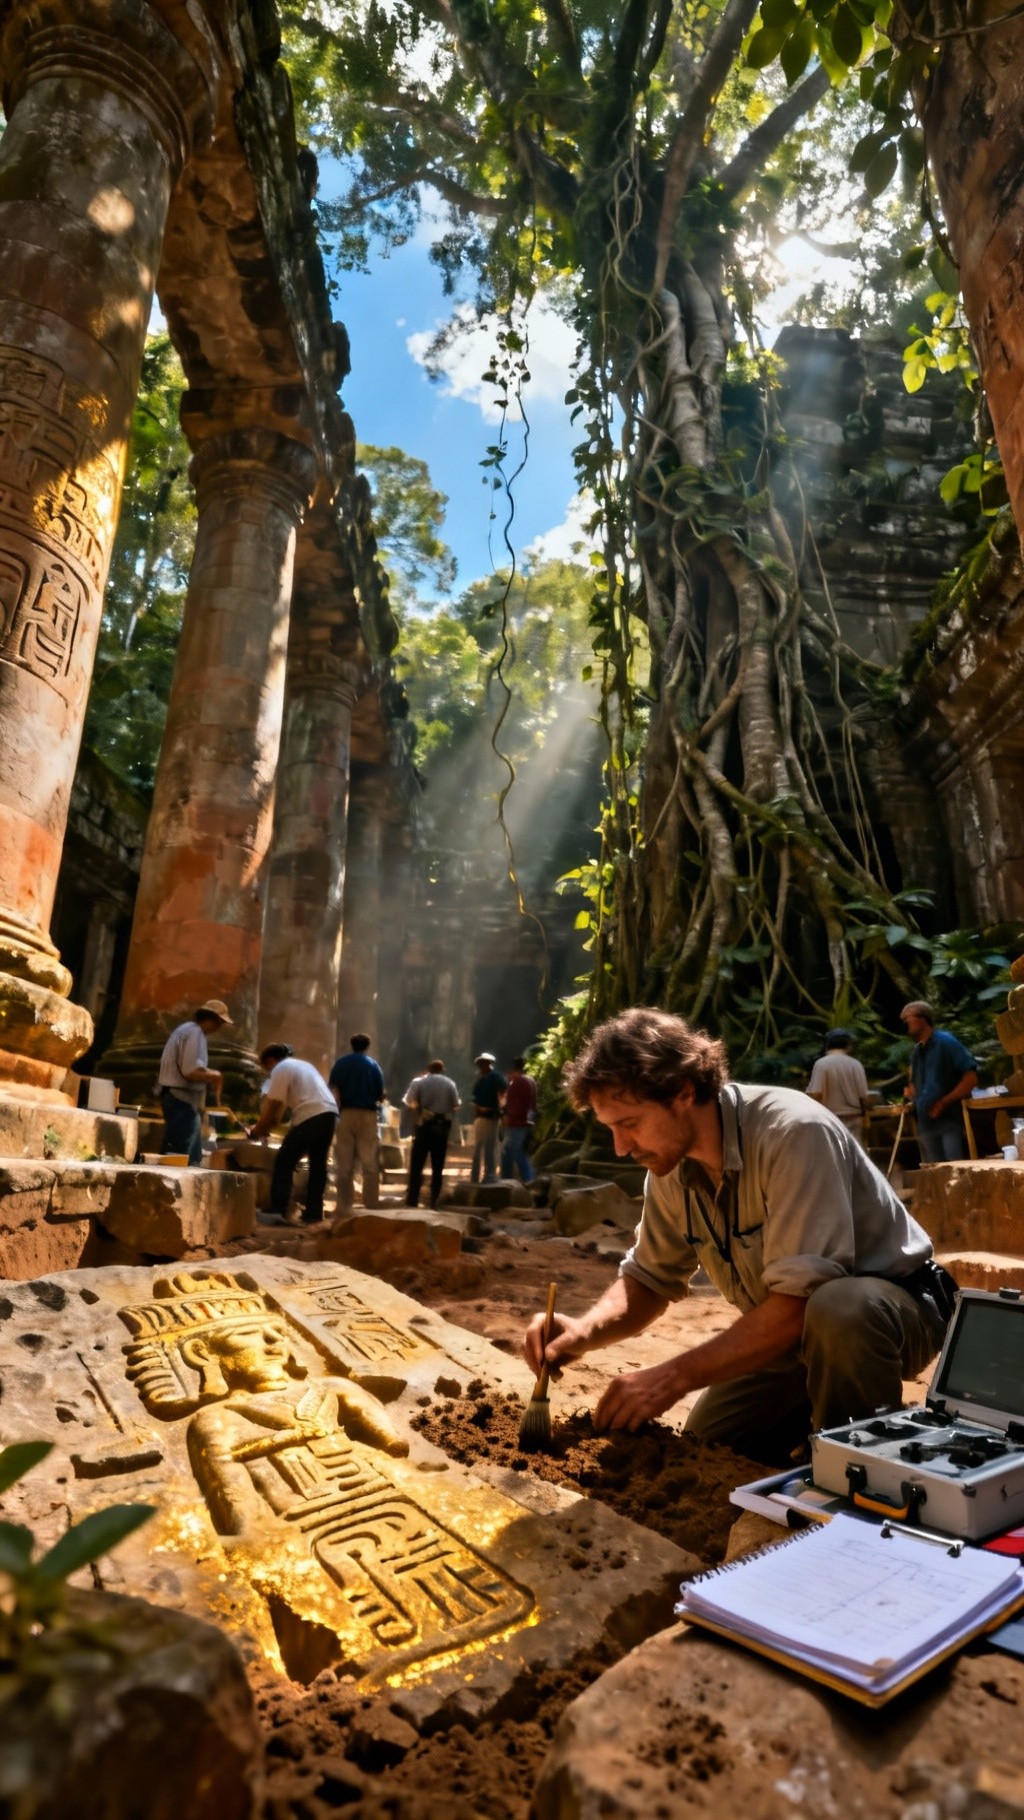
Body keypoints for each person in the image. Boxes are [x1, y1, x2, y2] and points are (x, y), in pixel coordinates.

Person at [524, 1007, 956, 1462]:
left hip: (896, 1307)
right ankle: (812, 1428)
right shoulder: (670, 1166)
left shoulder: (793, 1133)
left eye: (629, 1124)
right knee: (708, 1447)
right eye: (610, 1129)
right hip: (790, 1336)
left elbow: (800, 1303)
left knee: (838, 1307)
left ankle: (853, 1466)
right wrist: (582, 1330)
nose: (620, 1147)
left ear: (683, 1092)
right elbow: (648, 1280)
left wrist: (671, 1377)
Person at [248, 1044, 338, 1227]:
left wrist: (257, 1130)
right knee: (318, 1164)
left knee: (284, 1161)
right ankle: (313, 1213)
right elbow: (278, 1114)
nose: (268, 1073)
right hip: (329, 1113)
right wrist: (265, 1127)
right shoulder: (303, 1065)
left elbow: (273, 1106)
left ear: (270, 1061)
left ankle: (277, 1211)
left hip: (310, 1114)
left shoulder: (281, 1068)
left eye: (266, 1068)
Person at [901, 1000, 978, 1164]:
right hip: (926, 1125)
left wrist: (944, 1101)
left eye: (909, 1018)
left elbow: (970, 1078)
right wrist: (911, 1094)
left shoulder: (945, 1042)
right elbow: (916, 1086)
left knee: (954, 1167)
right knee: (933, 1170)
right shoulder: (917, 1052)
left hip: (949, 1122)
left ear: (922, 1019)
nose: (906, 1022)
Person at [156, 999, 230, 1166]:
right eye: (219, 1023)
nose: (219, 1027)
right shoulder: (194, 1032)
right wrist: (215, 1076)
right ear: (210, 1019)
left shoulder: (191, 1031)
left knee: (193, 1157)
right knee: (177, 1156)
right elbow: (189, 1071)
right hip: (179, 1098)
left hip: (184, 1101)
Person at [329, 1033, 384, 1211]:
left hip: (346, 1114)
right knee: (369, 1161)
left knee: (344, 1163)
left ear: (351, 1045)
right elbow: (379, 1094)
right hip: (368, 1115)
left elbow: (334, 1089)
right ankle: (371, 1204)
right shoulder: (373, 1065)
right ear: (367, 1046)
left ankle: (344, 1205)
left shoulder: (341, 1063)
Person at [405, 1060, 461, 1208]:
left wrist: (419, 1109)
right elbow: (456, 1105)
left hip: (424, 1125)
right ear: (442, 1070)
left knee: (417, 1164)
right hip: (441, 1128)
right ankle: (434, 1199)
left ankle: (413, 1198)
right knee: (438, 1165)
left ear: (428, 1069)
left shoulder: (419, 1082)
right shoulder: (450, 1083)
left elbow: (410, 1102)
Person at [806, 1029, 871, 1145]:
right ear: (848, 1045)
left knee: (833, 1153)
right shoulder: (855, 1064)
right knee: (852, 1153)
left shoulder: (821, 1064)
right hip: (854, 1119)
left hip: (829, 1119)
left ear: (827, 1045)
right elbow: (864, 1097)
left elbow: (815, 1093)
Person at [470, 1051, 507, 1185]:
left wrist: (497, 1109)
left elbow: (503, 1093)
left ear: (488, 1064)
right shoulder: (480, 1078)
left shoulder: (496, 1077)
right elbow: (474, 1097)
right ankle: (476, 1176)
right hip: (481, 1116)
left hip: (491, 1116)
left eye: (482, 1063)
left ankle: (489, 1175)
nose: (480, 1066)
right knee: (480, 1147)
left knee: (489, 1148)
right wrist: (477, 1107)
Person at [501, 1056, 537, 1183]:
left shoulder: (518, 1082)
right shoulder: (530, 1081)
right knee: (514, 1152)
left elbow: (514, 1105)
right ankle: (519, 1179)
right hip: (525, 1122)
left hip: (517, 1123)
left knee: (516, 1153)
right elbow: (532, 1105)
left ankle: (526, 1181)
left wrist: (508, 1116)